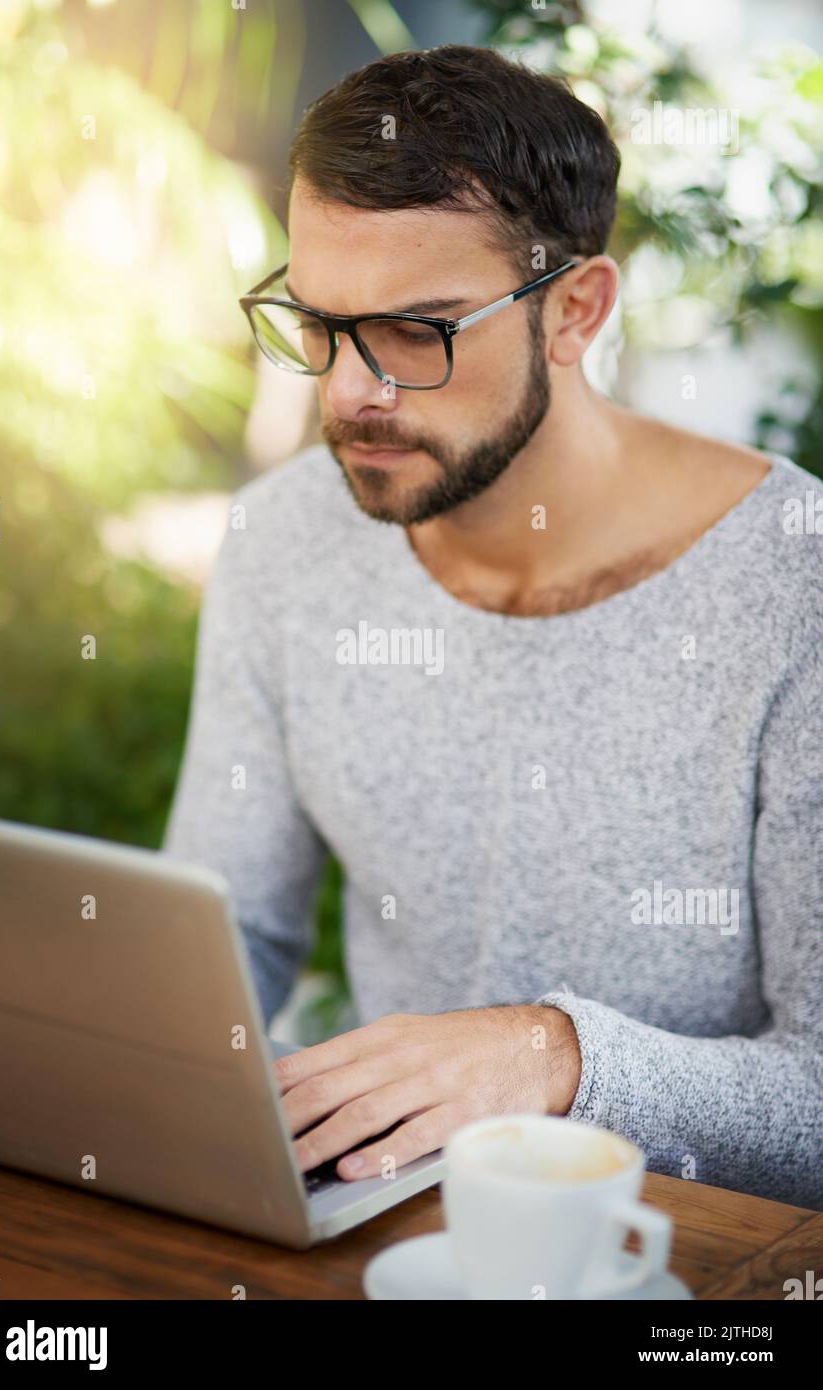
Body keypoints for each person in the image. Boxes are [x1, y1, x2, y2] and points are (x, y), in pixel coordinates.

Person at [163, 46, 822, 1209]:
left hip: (689, 1262)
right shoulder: (286, 540)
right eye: (317, 320)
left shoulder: (793, 584)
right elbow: (226, 939)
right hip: (377, 1229)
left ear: (576, 310)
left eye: (418, 331)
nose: (347, 393)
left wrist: (553, 1056)